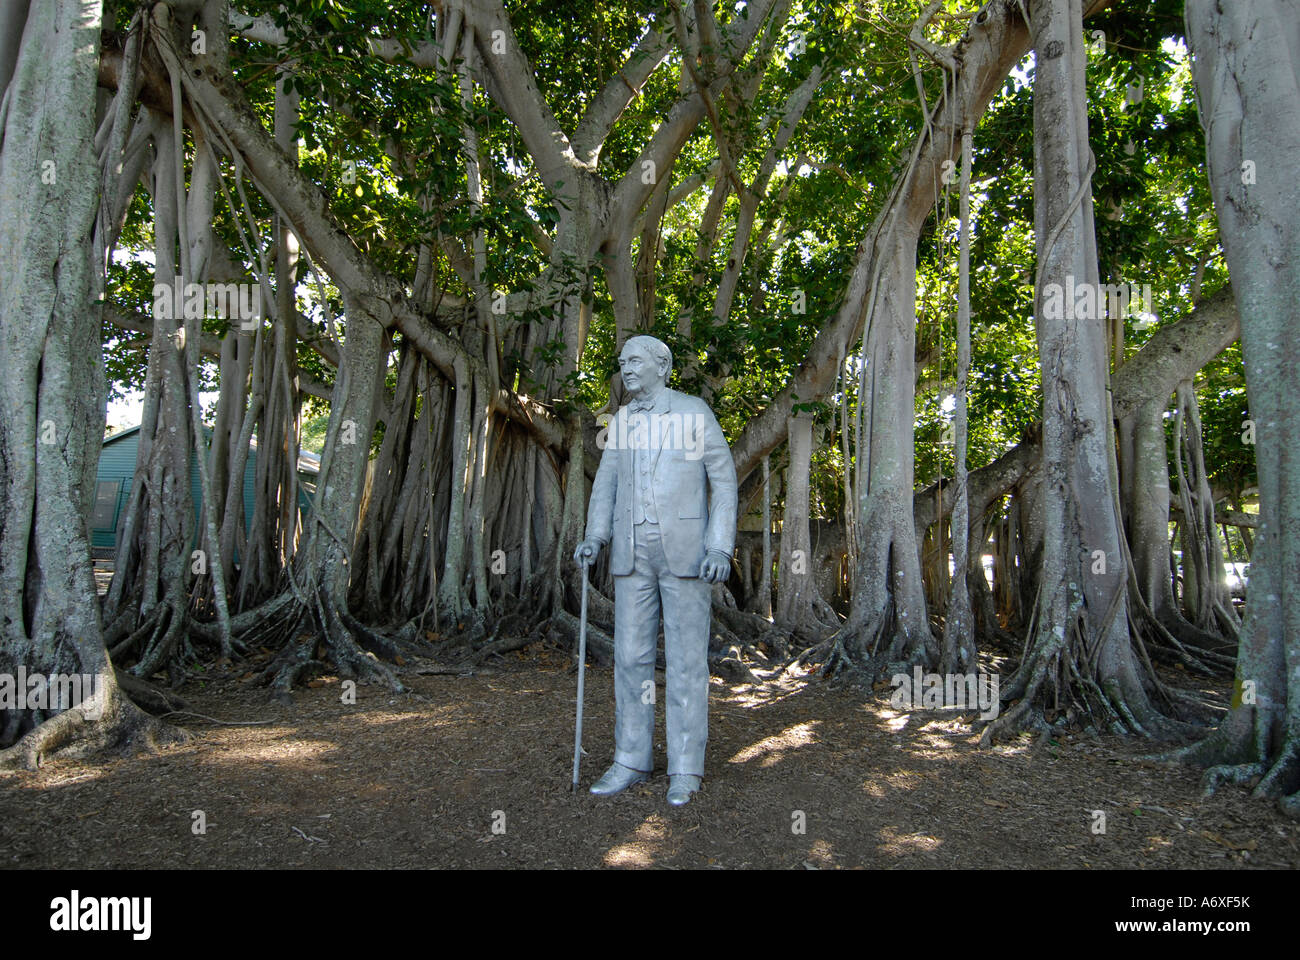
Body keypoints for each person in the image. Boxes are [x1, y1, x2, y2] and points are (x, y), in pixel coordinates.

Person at [573, 335, 737, 806]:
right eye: (622, 361)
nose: (627, 368)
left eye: (636, 361)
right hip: (631, 551)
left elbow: (723, 483)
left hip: (686, 552)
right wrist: (595, 536)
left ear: (662, 366)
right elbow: (605, 484)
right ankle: (630, 757)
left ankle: (686, 766)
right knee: (630, 658)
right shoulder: (622, 420)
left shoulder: (693, 412)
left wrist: (720, 548)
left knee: (686, 662)